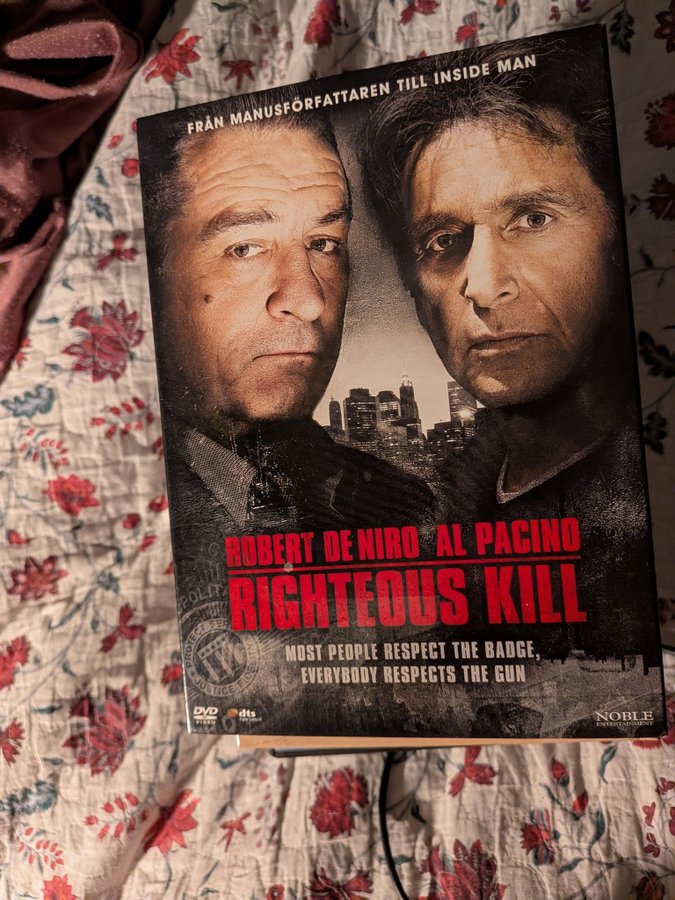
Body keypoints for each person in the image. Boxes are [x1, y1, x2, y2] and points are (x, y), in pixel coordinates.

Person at [360, 37, 657, 666]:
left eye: (533, 219)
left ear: (618, 231)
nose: (483, 284)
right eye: (444, 240)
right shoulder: (436, 513)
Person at [142, 110, 435, 539]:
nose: (309, 301)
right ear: (153, 271)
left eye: (324, 243)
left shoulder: (405, 509)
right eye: (244, 248)